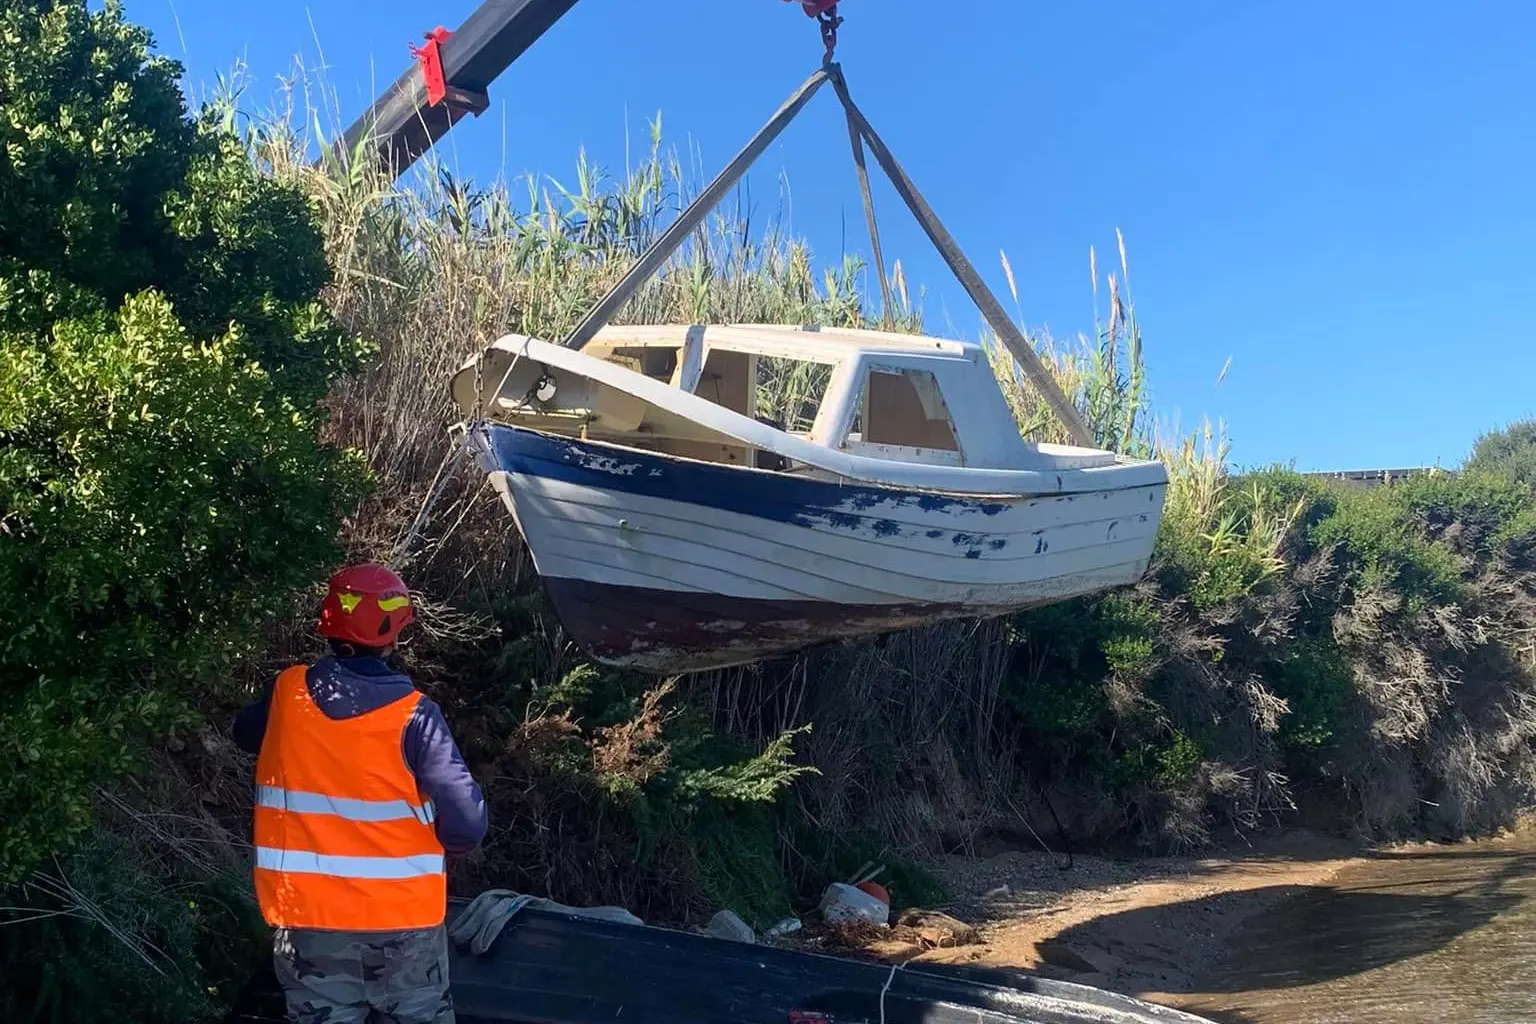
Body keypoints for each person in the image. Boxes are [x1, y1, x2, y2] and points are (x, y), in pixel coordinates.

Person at [234, 563, 488, 1024]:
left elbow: (245, 734)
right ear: (394, 636)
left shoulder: (286, 695)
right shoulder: (415, 717)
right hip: (404, 926)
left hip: (308, 921)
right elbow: (467, 824)